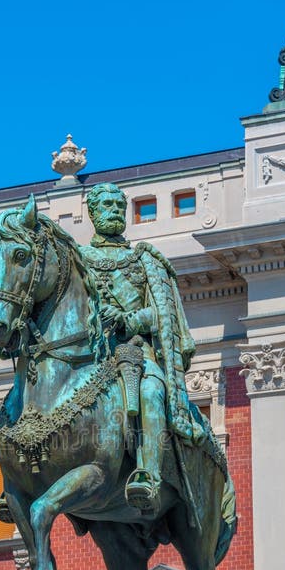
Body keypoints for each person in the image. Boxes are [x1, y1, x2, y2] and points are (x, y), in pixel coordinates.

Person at [80, 183, 203, 515]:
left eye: (119, 205)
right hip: (91, 356)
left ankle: (147, 474)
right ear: (92, 213)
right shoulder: (78, 261)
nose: (115, 210)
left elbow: (163, 315)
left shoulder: (144, 260)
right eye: (107, 205)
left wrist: (128, 319)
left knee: (150, 393)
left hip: (137, 351)